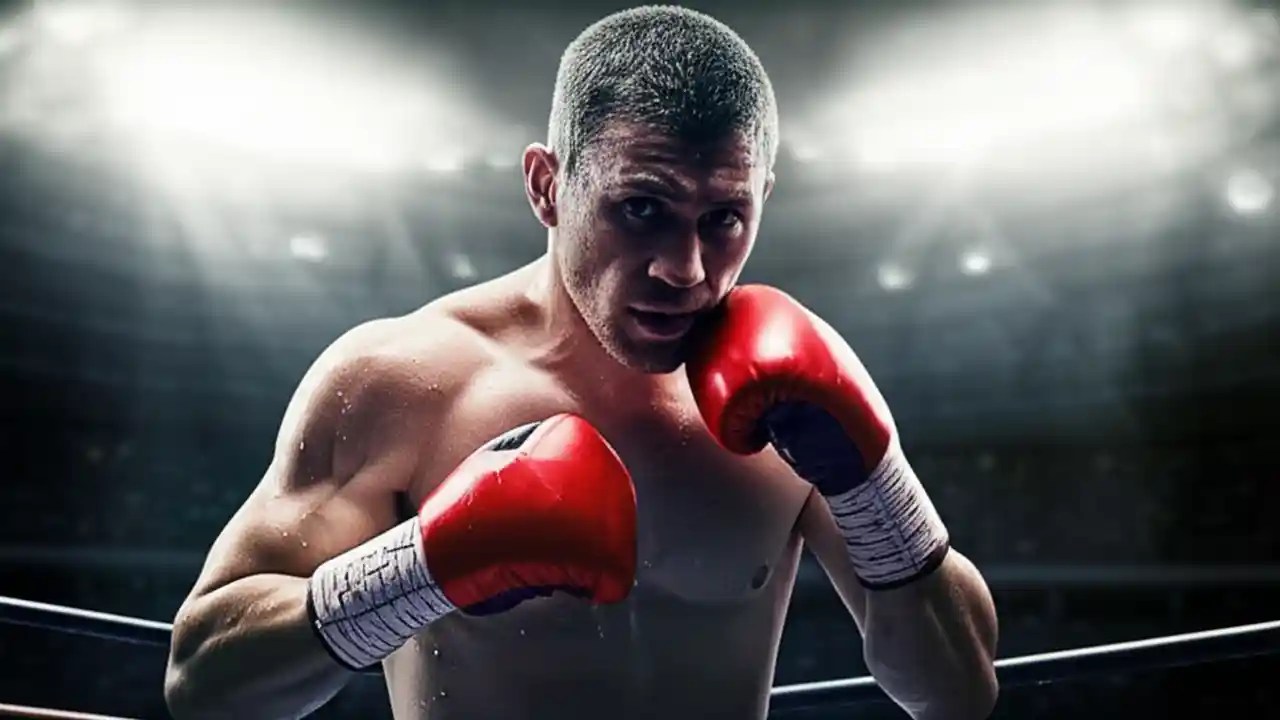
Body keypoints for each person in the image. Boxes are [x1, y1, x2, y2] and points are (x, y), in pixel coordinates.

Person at [163, 6, 998, 719]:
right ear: (547, 185)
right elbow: (202, 680)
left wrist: (871, 483)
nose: (688, 269)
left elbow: (957, 693)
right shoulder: (399, 382)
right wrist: (421, 570)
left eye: (725, 218)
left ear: (763, 196)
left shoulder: (795, 383)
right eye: (643, 208)